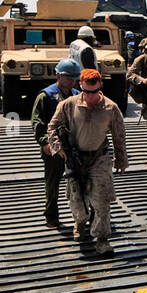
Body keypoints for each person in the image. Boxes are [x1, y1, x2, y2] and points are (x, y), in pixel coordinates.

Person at [47, 68, 127, 255]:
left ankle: (101, 238)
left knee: (102, 200)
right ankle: (80, 221)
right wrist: (59, 148)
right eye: (87, 92)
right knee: (76, 198)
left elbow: (119, 136)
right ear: (80, 86)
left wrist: (121, 160)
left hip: (99, 158)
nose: (91, 96)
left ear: (100, 87)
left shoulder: (110, 108)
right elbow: (52, 127)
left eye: (95, 92)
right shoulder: (68, 105)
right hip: (75, 158)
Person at [32, 58, 80, 229]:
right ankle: (51, 216)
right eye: (68, 77)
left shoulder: (77, 95)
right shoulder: (46, 95)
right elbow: (37, 122)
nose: (72, 81)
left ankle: (82, 215)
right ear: (58, 75)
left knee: (81, 181)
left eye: (75, 78)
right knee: (52, 182)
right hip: (54, 145)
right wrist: (45, 142)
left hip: (74, 146)